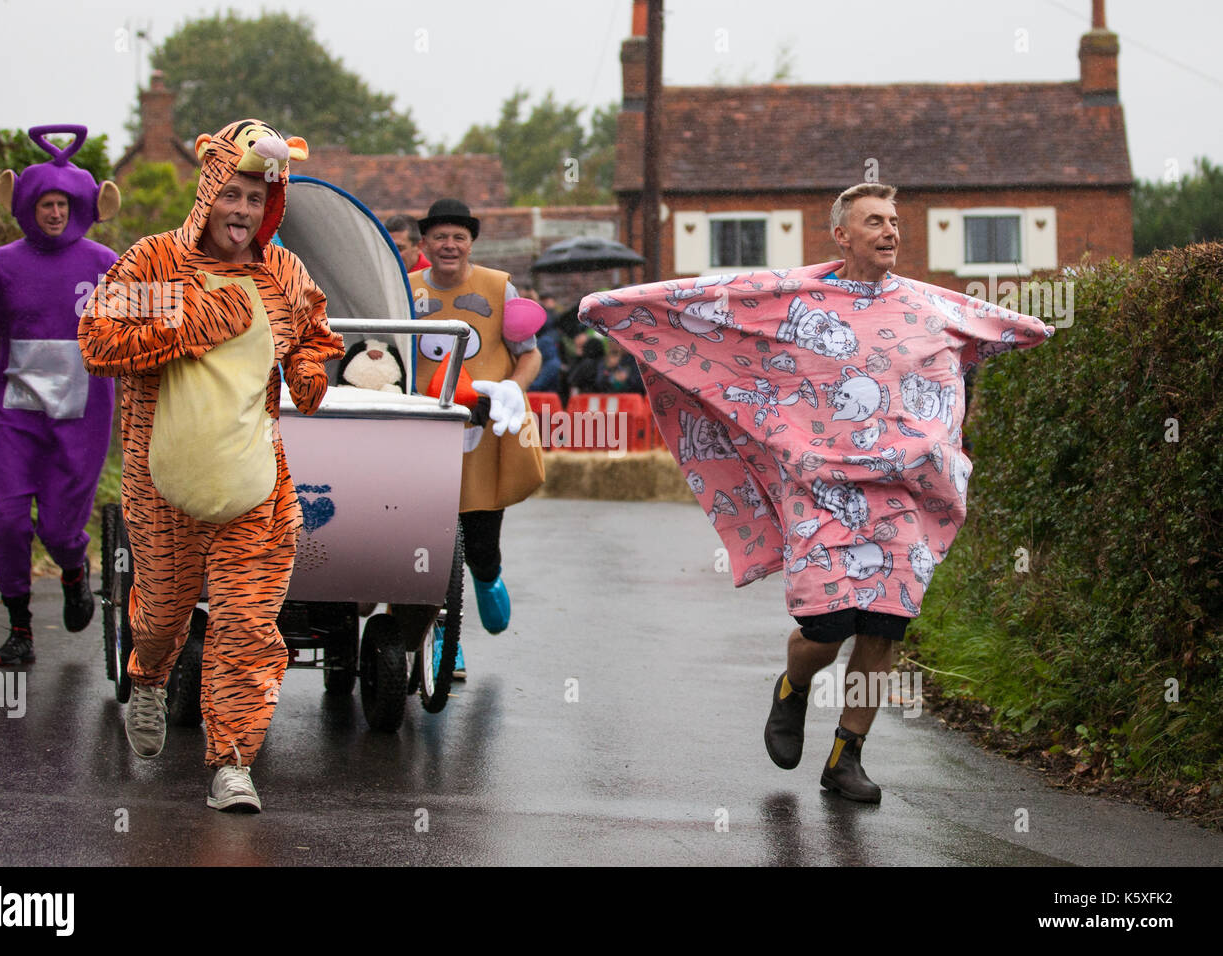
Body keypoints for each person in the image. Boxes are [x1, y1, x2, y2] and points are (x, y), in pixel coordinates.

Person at [579, 183, 1052, 803]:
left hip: (901, 491)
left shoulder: (926, 306)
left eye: (894, 220)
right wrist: (614, 306)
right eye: (874, 221)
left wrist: (1035, 328)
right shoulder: (793, 300)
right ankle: (793, 688)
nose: (890, 231)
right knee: (825, 627)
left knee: (884, 627)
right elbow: (706, 305)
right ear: (842, 235)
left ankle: (845, 757)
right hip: (819, 487)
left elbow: (996, 326)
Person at [79, 119, 344, 812]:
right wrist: (189, 322)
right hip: (162, 481)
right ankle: (149, 674)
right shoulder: (155, 264)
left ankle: (232, 760)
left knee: (247, 623)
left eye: (256, 200)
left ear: (271, 207)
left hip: (255, 482)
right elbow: (98, 338)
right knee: (164, 615)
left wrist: (310, 370)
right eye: (232, 194)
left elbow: (315, 336)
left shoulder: (281, 273)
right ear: (208, 190)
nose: (243, 211)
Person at [0, 124, 119, 667]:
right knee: (9, 523)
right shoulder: (2, 264)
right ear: (28, 207)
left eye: (63, 204)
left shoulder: (105, 264)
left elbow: (145, 319)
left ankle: (75, 569)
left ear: (80, 206)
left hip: (81, 420)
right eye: (45, 204)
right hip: (13, 418)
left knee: (60, 529)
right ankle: (20, 632)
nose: (54, 213)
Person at [410, 198, 544, 678]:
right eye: (440, 237)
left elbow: (529, 354)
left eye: (458, 237)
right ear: (424, 244)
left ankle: (487, 580)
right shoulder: (404, 292)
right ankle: (446, 638)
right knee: (427, 547)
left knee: (481, 542)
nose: (449, 245)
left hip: (483, 431)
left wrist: (513, 388)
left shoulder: (498, 288)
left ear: (471, 243)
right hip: (421, 434)